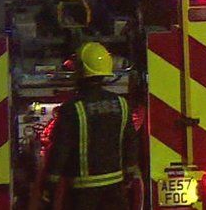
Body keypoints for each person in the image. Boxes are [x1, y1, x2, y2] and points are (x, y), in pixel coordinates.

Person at [38, 42, 139, 210]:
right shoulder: (122, 104)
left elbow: (61, 150)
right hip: (115, 192)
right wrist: (128, 174)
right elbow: (131, 142)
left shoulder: (72, 108)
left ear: (79, 71)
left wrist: (50, 183)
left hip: (83, 195)